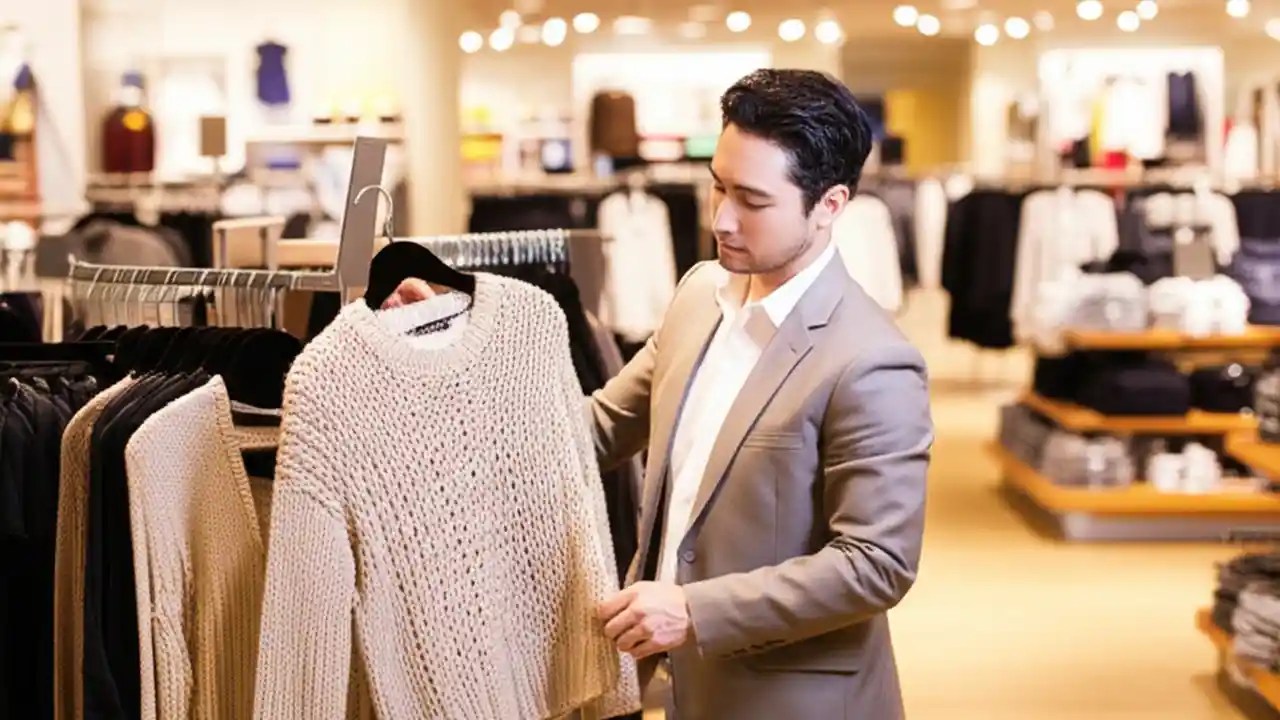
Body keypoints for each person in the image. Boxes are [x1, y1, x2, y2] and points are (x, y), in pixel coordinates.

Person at [385, 68, 932, 719]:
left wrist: (695, 609)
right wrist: (443, 335)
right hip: (675, 687)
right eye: (717, 188)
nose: (721, 219)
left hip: (793, 697)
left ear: (830, 205)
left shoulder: (873, 359)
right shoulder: (701, 294)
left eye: (752, 201)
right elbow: (592, 429)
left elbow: (876, 564)